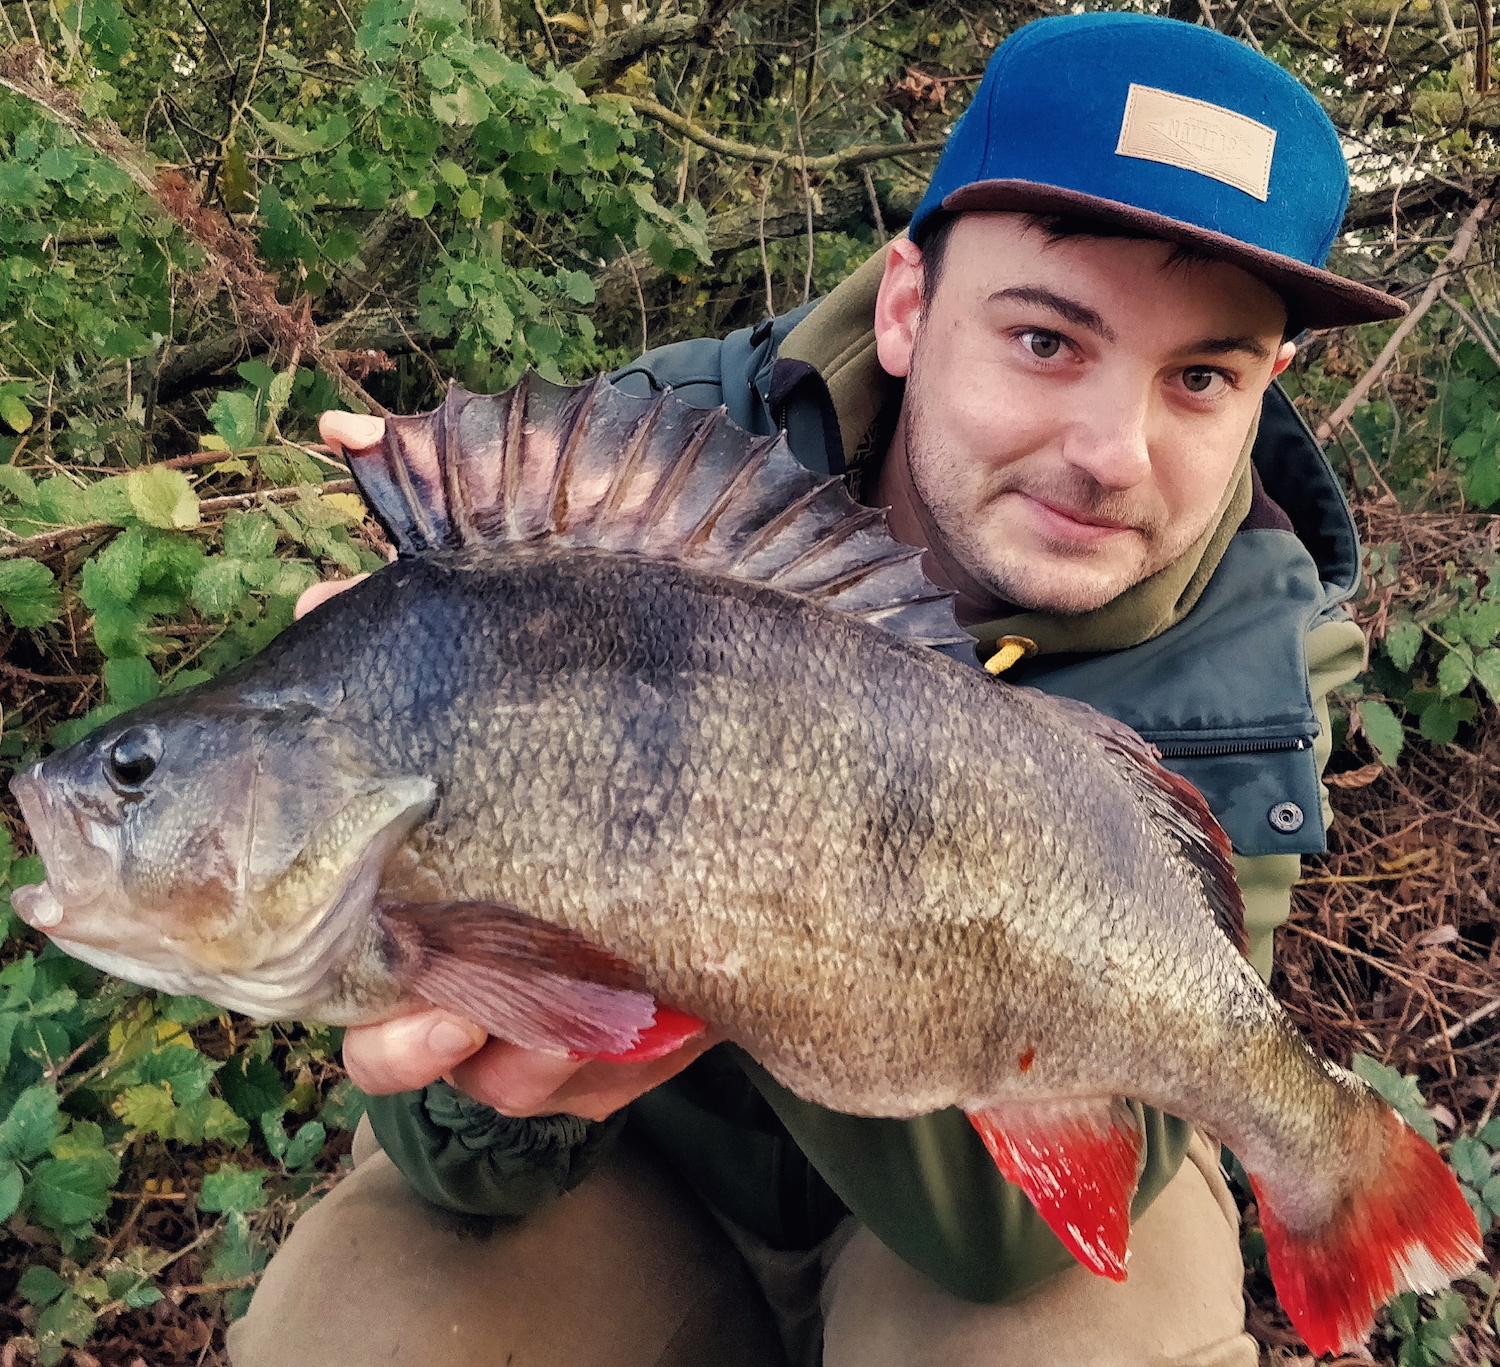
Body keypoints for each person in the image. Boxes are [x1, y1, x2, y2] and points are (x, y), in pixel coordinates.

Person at [229, 13, 1397, 1366]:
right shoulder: (626, 492)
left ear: (1270, 388)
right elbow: (459, 1175)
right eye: (1045, 340)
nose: (1111, 454)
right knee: (364, 1331)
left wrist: (763, 937)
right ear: (906, 303)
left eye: (1203, 377)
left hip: (972, 1193)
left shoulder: (1267, 650)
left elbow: (999, 1252)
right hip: (645, 1167)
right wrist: (510, 1060)